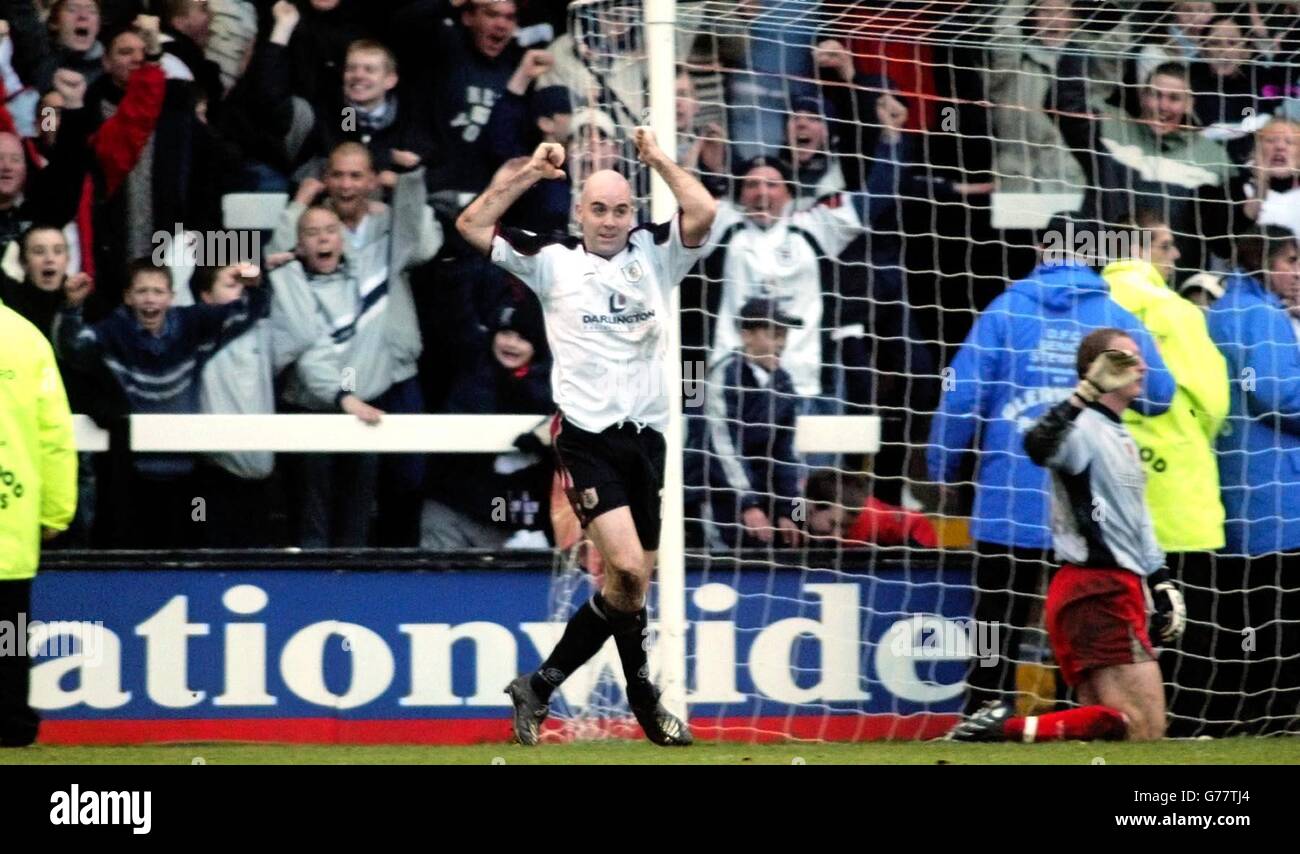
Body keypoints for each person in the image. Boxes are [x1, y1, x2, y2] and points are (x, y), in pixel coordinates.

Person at [457, 128, 716, 746]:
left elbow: (703, 209)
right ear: (579, 211)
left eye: (621, 209)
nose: (609, 220)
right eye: (597, 208)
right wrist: (529, 172)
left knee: (630, 586)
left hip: (647, 440)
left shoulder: (657, 252)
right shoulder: (551, 259)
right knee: (625, 566)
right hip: (587, 439)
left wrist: (656, 157)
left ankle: (542, 685)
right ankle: (644, 698)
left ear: (634, 213)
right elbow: (471, 224)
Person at [927, 214, 1177, 717]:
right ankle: (1075, 717)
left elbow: (962, 393)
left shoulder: (1006, 310)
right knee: (1075, 621)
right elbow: (1161, 395)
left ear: (1044, 248)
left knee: (996, 616)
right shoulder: (1115, 317)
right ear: (1095, 252)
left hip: (1009, 496)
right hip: (1089, 507)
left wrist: (942, 466)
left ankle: (984, 711)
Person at [946, 329, 1186, 742]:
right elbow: (1038, 445)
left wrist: (1160, 579)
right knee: (1145, 729)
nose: (1142, 366)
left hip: (1105, 587)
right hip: (1098, 589)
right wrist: (1085, 392)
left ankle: (1004, 729)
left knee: (1112, 727)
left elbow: (1137, 518)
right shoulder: (1084, 428)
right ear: (1098, 370)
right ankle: (1002, 729)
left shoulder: (1118, 432)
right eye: (1127, 359)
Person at [1100, 213, 1230, 735]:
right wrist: (1188, 433)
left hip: (1106, 489)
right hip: (1177, 486)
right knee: (1182, 616)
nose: (1175, 257)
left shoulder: (1095, 305)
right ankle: (1185, 723)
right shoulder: (1172, 311)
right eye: (1167, 245)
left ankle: (1111, 717)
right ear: (1142, 249)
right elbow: (1212, 398)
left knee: (1114, 617)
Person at [1205, 225, 1300, 733]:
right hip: (1272, 491)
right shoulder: (1260, 314)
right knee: (1277, 609)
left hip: (1241, 484)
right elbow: (1276, 394)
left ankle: (1243, 714)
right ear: (1263, 261)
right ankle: (1274, 715)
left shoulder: (1229, 308)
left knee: (1249, 611)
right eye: (1289, 260)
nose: (1297, 271)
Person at [0, 302, 77, 746]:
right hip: (10, 521)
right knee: (7, 637)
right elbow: (54, 435)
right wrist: (56, 510)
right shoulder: (27, 338)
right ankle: (11, 725)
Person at [686, 297, 804, 550]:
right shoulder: (723, 375)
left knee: (790, 537)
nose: (781, 344)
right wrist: (748, 503)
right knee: (728, 552)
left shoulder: (784, 383)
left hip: (757, 493)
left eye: (784, 335)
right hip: (714, 491)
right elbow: (720, 446)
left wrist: (792, 512)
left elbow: (787, 455)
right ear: (746, 336)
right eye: (773, 334)